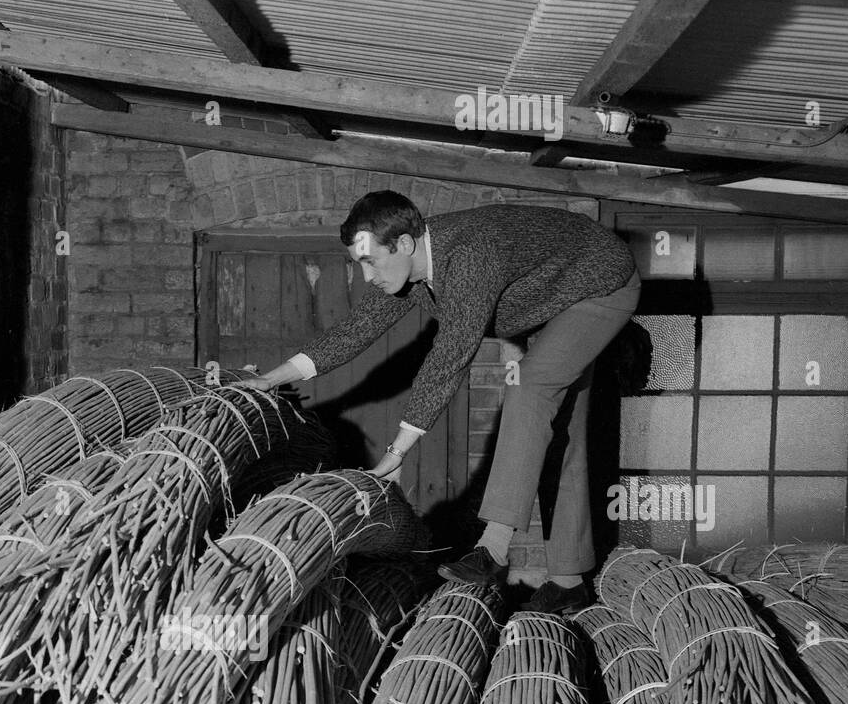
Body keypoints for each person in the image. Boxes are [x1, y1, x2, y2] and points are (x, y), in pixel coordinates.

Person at [243, 191, 641, 614]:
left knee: (530, 386)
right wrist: (273, 377)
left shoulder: (470, 255)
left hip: (598, 286)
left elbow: (450, 357)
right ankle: (568, 580)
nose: (366, 275)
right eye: (360, 262)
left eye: (370, 261)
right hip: (548, 299)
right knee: (557, 430)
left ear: (406, 245)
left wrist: (398, 450)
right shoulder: (407, 274)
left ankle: (493, 548)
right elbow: (354, 331)